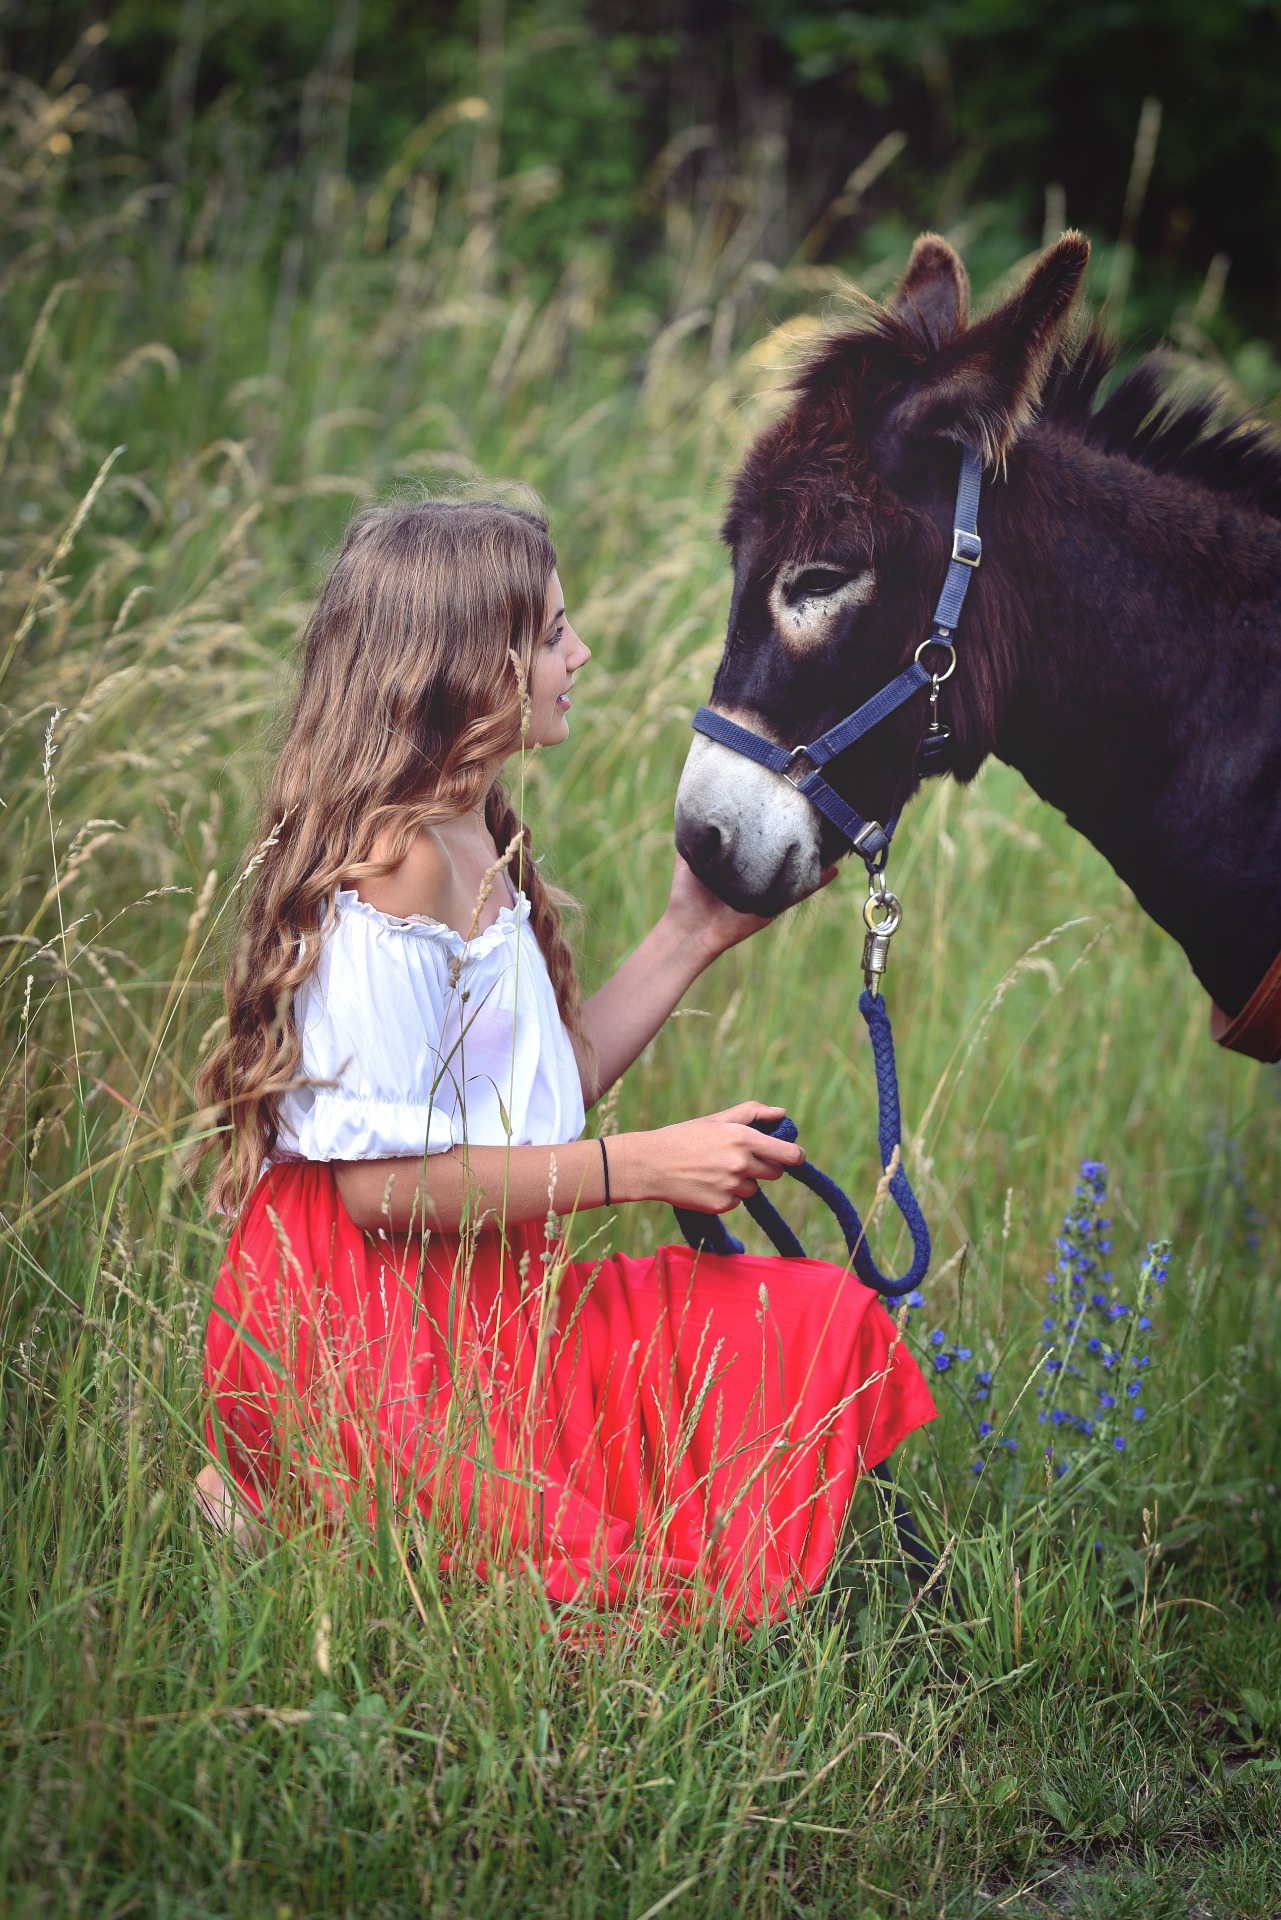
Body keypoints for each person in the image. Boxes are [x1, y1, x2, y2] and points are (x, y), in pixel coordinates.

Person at [195, 497, 935, 1622]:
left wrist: (692, 933)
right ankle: (286, 1484)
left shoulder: (471, 825)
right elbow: (378, 1187)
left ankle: (290, 1504)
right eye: (551, 633)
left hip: (484, 1296)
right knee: (608, 1600)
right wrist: (641, 1167)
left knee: (815, 1320)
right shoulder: (398, 862)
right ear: (464, 667)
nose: (578, 654)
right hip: (373, 1319)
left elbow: (529, 1102)